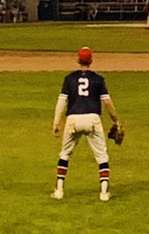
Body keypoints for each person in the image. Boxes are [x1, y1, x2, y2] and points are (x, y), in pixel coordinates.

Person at [52, 46, 122, 202]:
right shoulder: (98, 79)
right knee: (102, 156)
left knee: (65, 154)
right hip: (92, 119)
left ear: (78, 60)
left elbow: (61, 101)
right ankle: (104, 193)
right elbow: (107, 103)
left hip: (73, 120)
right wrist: (116, 120)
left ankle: (59, 190)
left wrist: (56, 122)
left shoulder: (69, 79)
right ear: (91, 60)